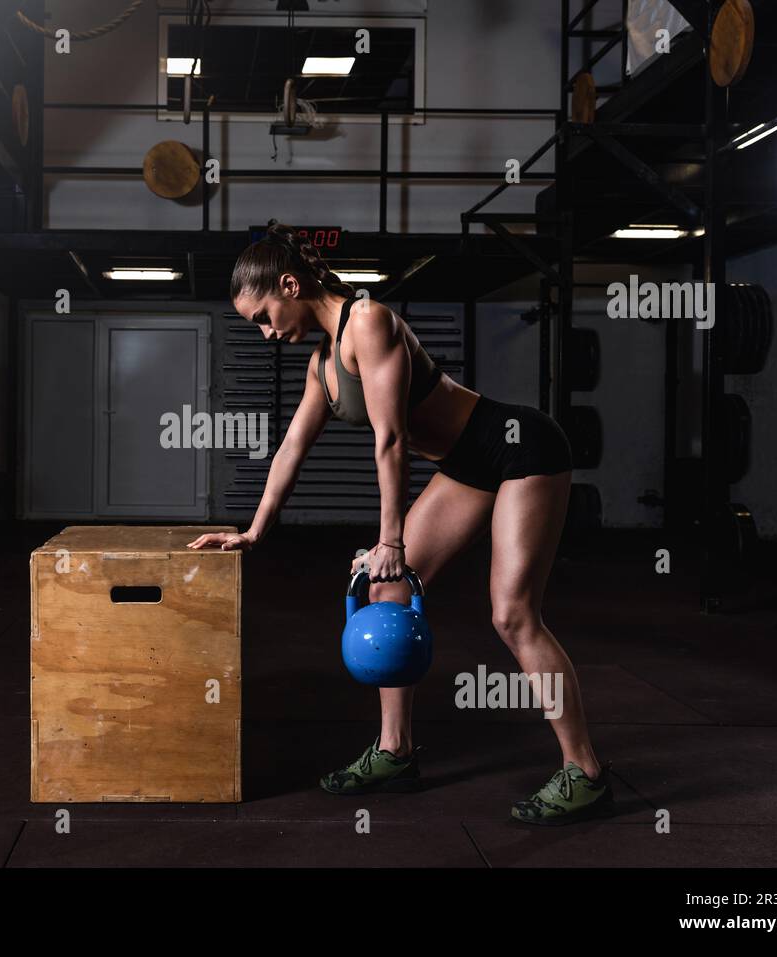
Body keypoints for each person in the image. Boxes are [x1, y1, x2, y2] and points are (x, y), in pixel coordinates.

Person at [187, 220, 613, 824]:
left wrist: (391, 540)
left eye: (262, 315)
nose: (262, 332)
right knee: (386, 592)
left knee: (512, 614)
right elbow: (290, 448)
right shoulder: (321, 364)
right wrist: (254, 529)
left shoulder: (369, 322)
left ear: (289, 284)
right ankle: (395, 753)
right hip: (467, 463)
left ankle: (586, 772)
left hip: (521, 450)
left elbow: (391, 439)